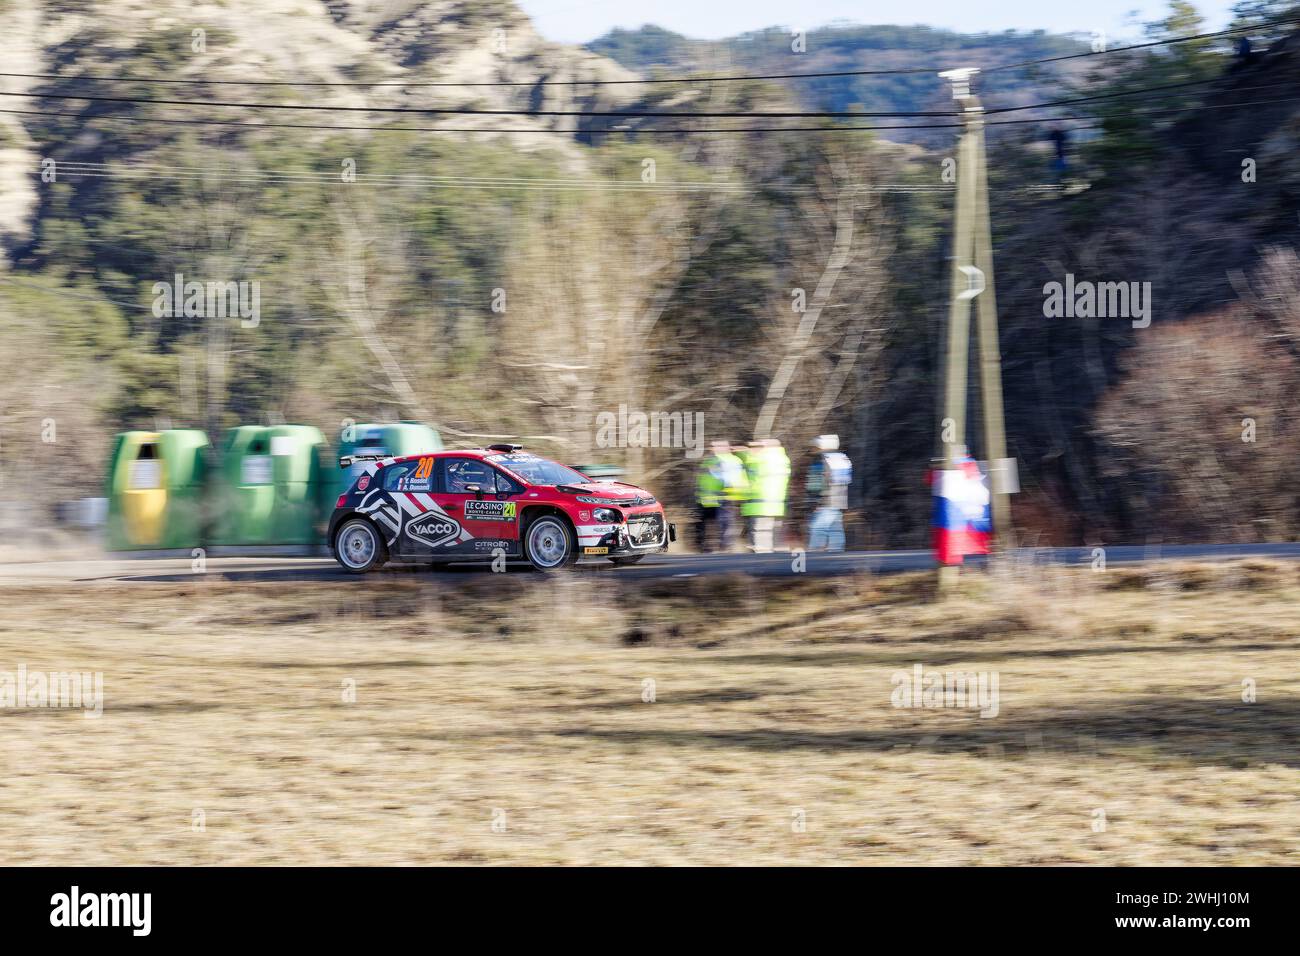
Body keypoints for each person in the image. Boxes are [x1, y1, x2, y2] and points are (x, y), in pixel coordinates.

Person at [695, 441, 748, 552]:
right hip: (707, 499)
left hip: (726, 496)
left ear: (727, 448)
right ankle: (707, 548)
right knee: (709, 525)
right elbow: (702, 480)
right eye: (713, 446)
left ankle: (726, 547)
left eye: (718, 446)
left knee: (725, 523)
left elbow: (731, 478)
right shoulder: (709, 460)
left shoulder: (731, 460)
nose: (714, 448)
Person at [806, 434, 852, 552]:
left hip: (825, 501)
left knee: (818, 527)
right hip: (839, 500)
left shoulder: (821, 460)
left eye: (814, 446)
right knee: (835, 529)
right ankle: (836, 553)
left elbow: (816, 483)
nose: (812, 449)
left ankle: (815, 553)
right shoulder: (842, 458)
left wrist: (815, 501)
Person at [745, 439, 790, 553]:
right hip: (777, 501)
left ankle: (763, 554)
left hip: (761, 501)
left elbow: (751, 472)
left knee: (761, 531)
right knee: (771, 530)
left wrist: (745, 452)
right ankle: (772, 552)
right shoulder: (783, 459)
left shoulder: (763, 459)